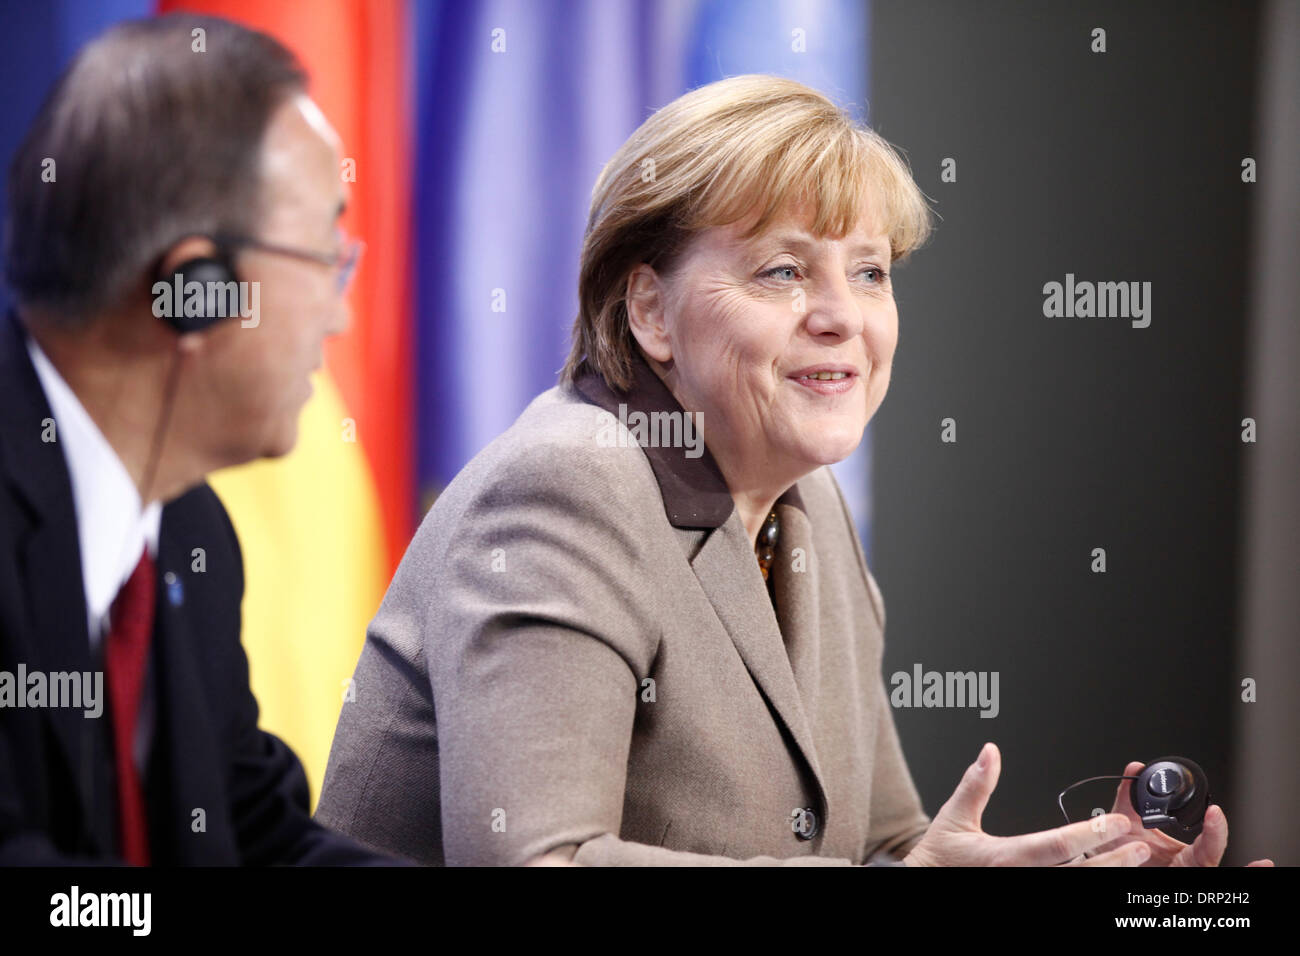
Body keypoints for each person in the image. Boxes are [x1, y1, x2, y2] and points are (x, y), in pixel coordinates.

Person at [316, 74, 1261, 867]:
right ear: (650, 312)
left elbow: (882, 846)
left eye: (870, 272)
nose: (843, 315)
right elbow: (539, 861)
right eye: (781, 271)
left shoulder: (805, 504)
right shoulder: (566, 491)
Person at [0, 14, 394, 865]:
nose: (342, 312)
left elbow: (256, 828)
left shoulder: (190, 533)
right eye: (326, 256)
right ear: (193, 291)